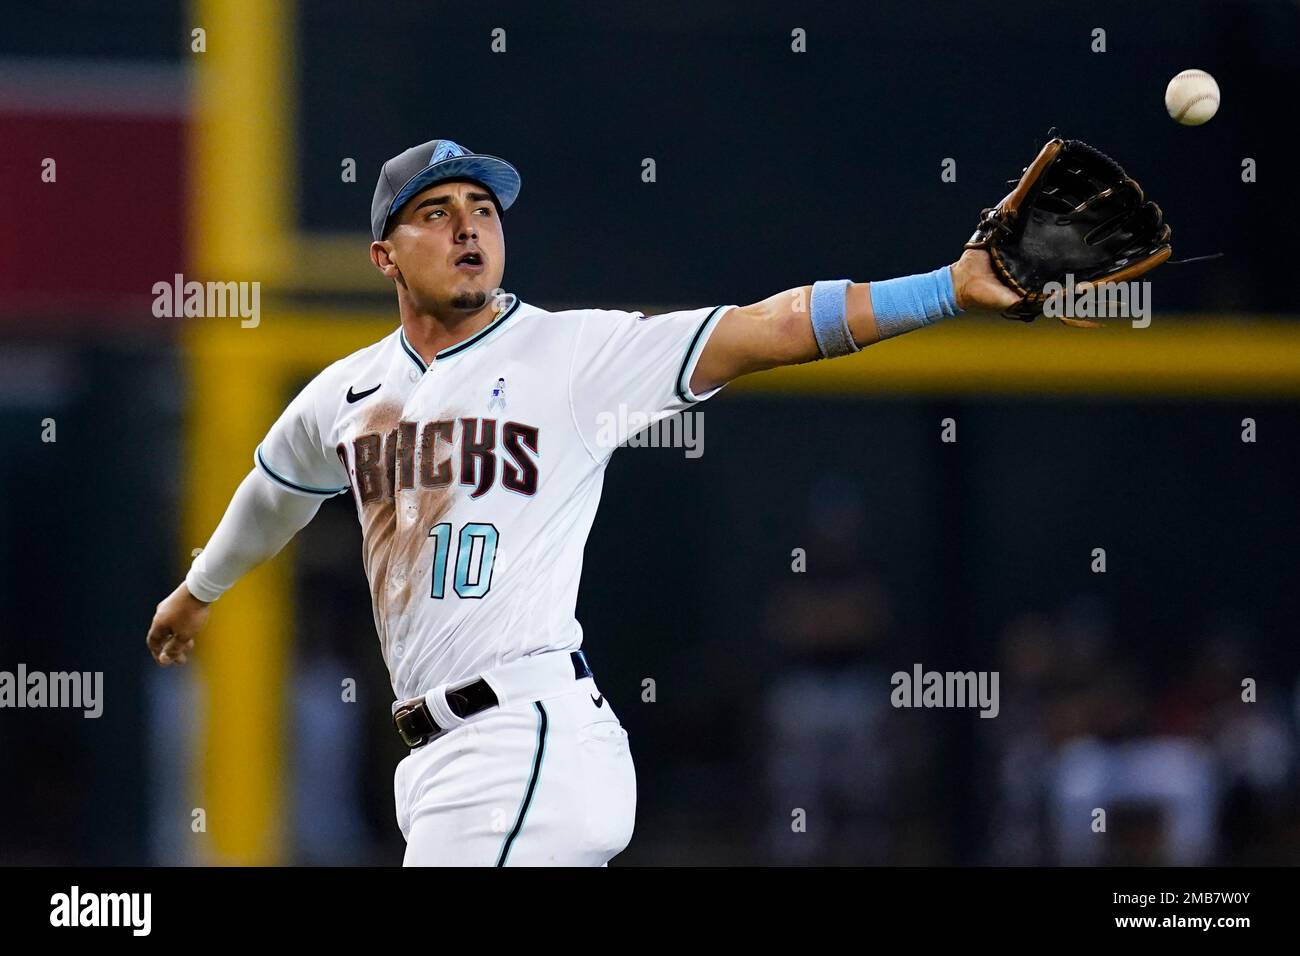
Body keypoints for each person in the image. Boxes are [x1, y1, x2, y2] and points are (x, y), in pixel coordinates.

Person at [145, 138, 1019, 866]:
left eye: (482, 210)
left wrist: (946, 285)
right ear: (385, 254)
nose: (468, 228)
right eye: (436, 212)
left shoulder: (572, 355)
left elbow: (771, 327)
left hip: (523, 735)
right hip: (443, 761)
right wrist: (198, 593)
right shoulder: (347, 392)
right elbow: (272, 494)